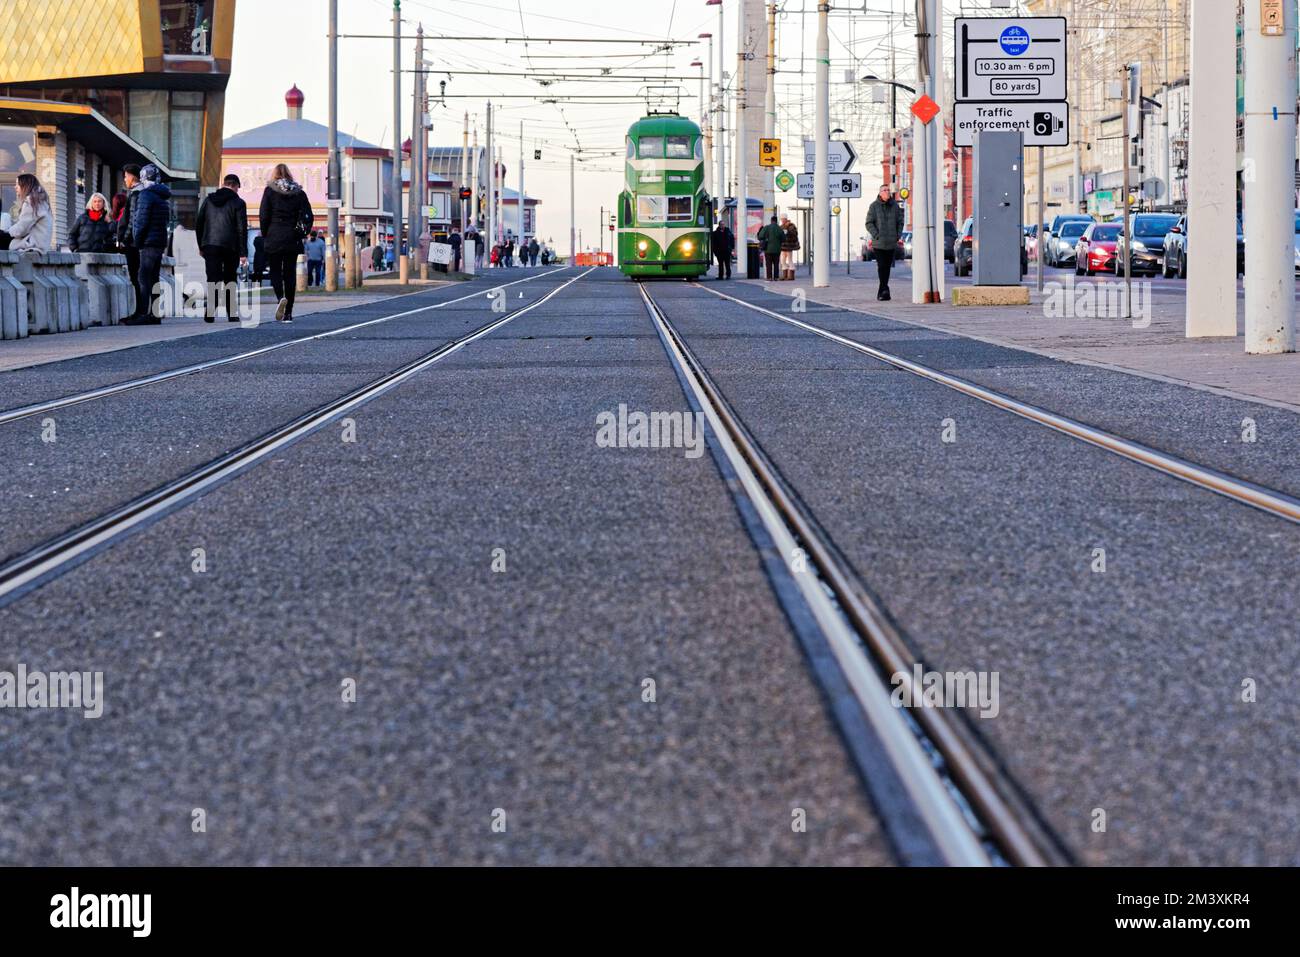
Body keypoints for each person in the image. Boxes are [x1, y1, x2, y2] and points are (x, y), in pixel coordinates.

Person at [258, 162, 313, 322]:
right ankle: (288, 311)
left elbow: (263, 215)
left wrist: (266, 233)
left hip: (274, 235)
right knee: (289, 274)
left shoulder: (269, 192)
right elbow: (308, 215)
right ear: (290, 175)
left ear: (274, 175)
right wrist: (302, 232)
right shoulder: (298, 193)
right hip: (292, 237)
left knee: (275, 271)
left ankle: (280, 298)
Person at [195, 172, 248, 322]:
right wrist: (243, 253)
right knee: (230, 279)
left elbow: (199, 223)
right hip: (230, 247)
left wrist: (201, 245)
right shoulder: (238, 203)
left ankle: (210, 312)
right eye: (238, 188)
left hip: (210, 245)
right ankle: (232, 314)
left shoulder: (208, 200)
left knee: (213, 278)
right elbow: (241, 229)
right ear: (235, 186)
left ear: (224, 183)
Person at [120, 165, 170, 325]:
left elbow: (140, 221)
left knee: (143, 277)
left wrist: (137, 241)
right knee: (154, 277)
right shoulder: (161, 195)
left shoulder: (146, 195)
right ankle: (154, 314)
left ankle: (142, 314)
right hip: (159, 241)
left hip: (147, 242)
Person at [865, 183, 905, 300]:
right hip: (879, 243)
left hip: (891, 242)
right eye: (884, 190)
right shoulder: (874, 206)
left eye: (888, 190)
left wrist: (897, 235)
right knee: (881, 266)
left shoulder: (895, 206)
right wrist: (876, 234)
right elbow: (869, 223)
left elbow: (900, 221)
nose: (887, 192)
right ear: (880, 193)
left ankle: (883, 291)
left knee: (887, 267)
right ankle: (884, 290)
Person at [0, 173, 52, 253]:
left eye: (17, 184)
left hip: (32, 244)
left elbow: (22, 229)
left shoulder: (31, 201)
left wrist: (6, 231)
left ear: (25, 185)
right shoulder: (39, 200)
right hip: (39, 243)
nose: (15, 187)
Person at [757, 214, 782, 281]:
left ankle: (769, 277)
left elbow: (760, 236)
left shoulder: (766, 227)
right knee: (776, 264)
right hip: (777, 249)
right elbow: (784, 238)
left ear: (771, 221)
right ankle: (776, 277)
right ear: (776, 221)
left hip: (768, 249)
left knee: (768, 264)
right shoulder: (779, 228)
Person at [780, 216, 800, 281]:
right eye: (781, 219)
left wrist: (787, 232)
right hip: (783, 246)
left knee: (789, 260)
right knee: (782, 260)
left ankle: (791, 275)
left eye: (783, 219)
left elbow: (794, 234)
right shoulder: (781, 226)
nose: (782, 220)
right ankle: (785, 275)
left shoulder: (791, 226)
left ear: (786, 219)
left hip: (789, 246)